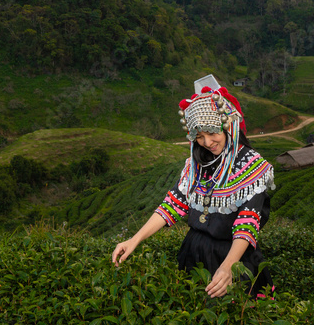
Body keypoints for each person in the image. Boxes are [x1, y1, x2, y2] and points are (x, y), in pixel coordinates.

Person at [111, 83, 275, 298]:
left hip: (234, 255)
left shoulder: (252, 167)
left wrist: (228, 268)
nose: (207, 142)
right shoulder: (196, 165)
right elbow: (173, 204)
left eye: (212, 132)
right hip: (193, 252)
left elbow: (248, 223)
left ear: (227, 126)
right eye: (199, 136)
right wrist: (134, 239)